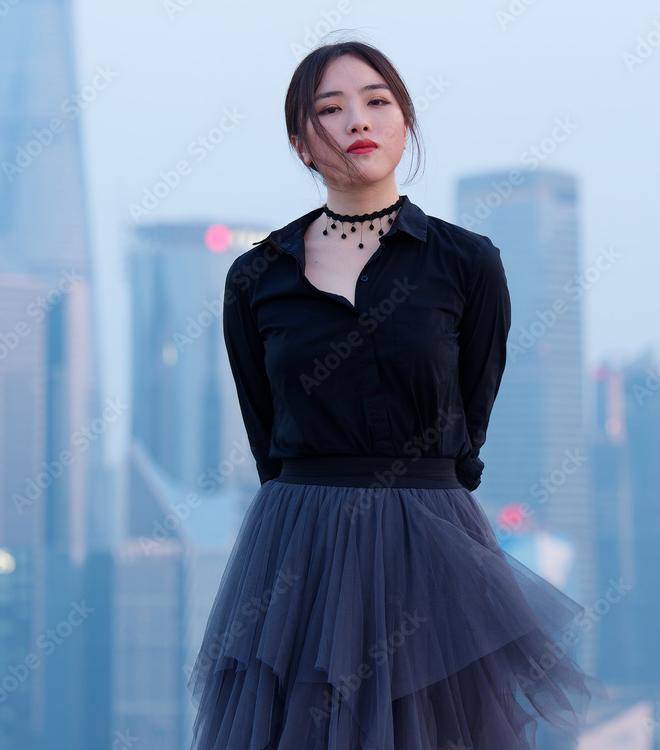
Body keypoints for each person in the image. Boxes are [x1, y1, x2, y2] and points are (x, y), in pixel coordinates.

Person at [186, 38, 604, 750]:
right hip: (300, 546)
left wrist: (413, 496)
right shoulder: (256, 277)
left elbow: (469, 422)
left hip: (430, 538)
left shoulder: (466, 262)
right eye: (330, 108)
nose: (358, 120)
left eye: (378, 101)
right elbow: (268, 438)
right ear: (300, 145)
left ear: (405, 122)